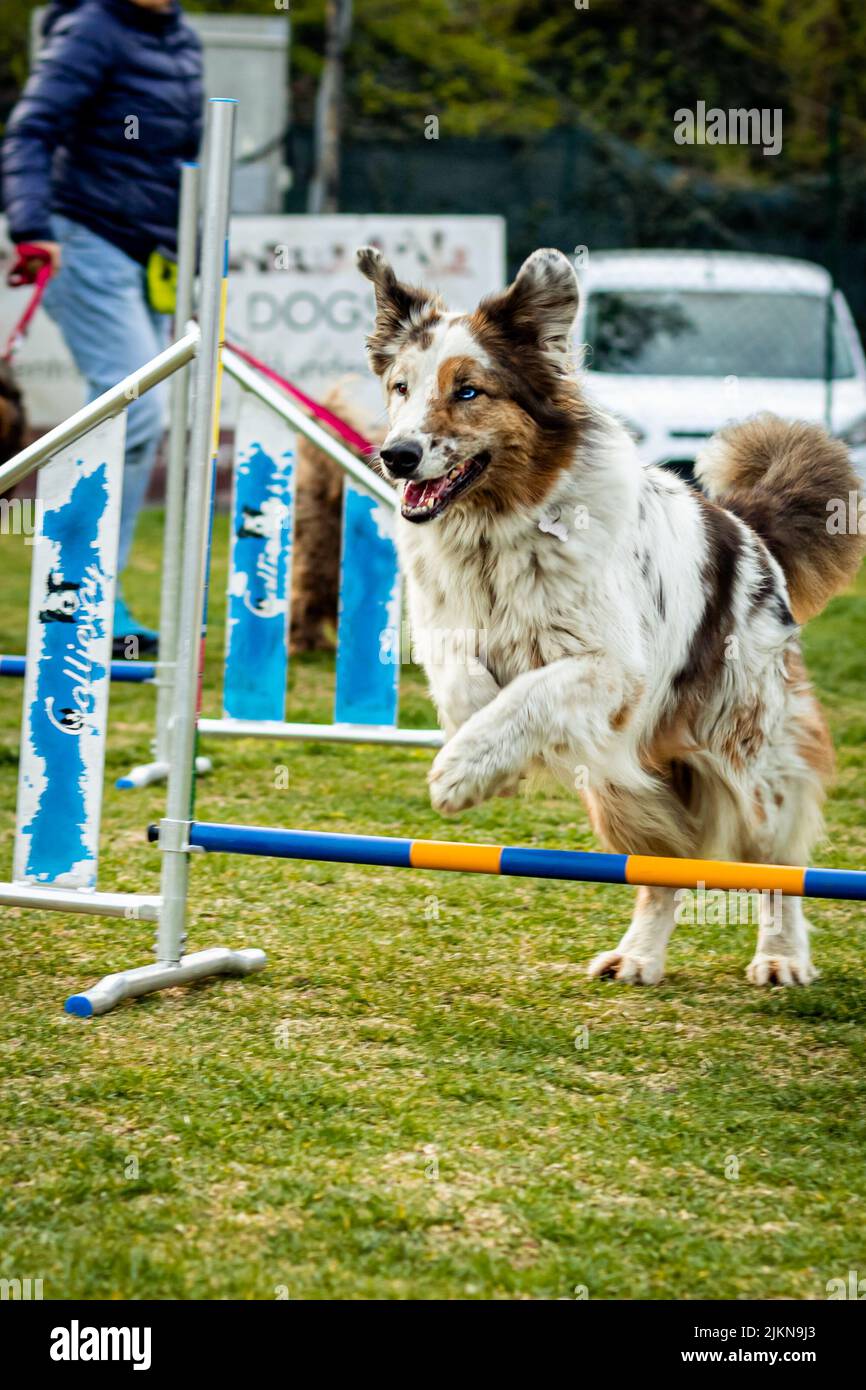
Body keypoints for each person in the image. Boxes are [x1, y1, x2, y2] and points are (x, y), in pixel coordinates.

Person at [2, 0, 203, 653]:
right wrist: (31, 225)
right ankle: (74, 594)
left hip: (147, 252)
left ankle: (91, 594)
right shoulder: (91, 27)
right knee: (132, 412)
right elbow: (30, 130)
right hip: (81, 234)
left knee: (136, 418)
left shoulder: (180, 39)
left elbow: (182, 159)